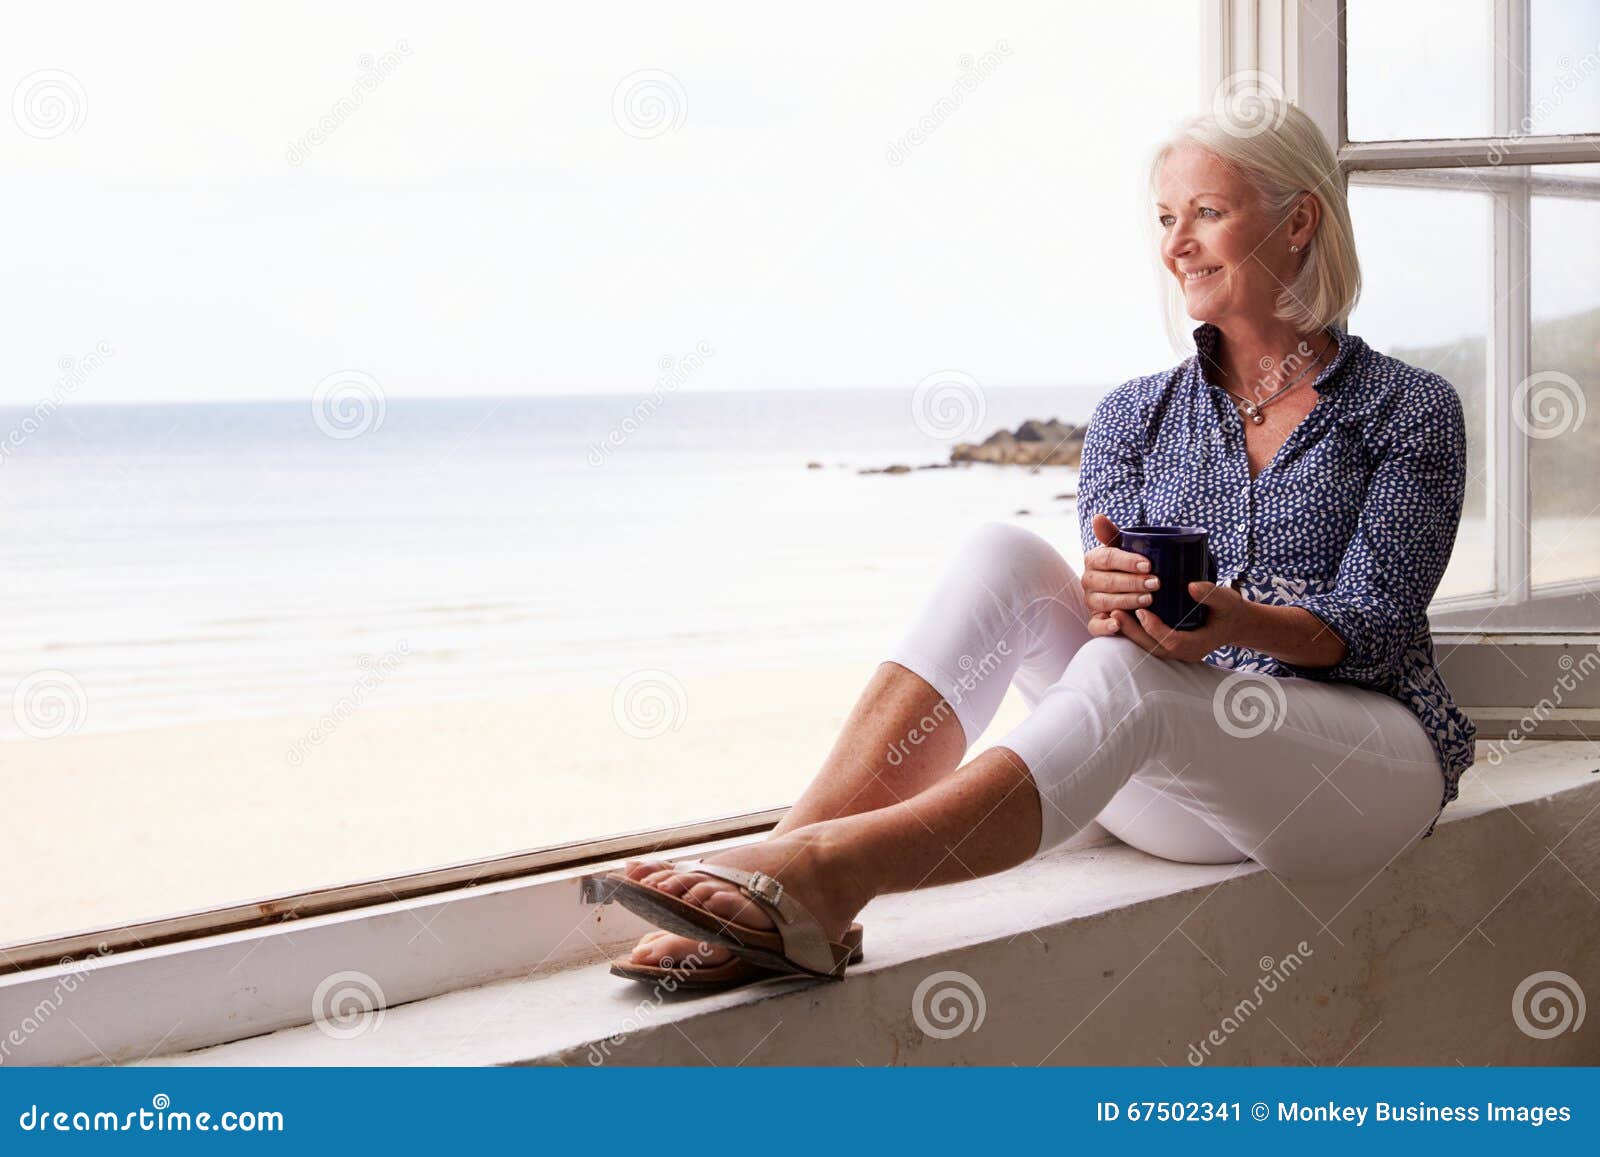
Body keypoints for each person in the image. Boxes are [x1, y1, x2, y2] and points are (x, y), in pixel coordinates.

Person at [591, 97, 1477, 986]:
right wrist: (1114, 602)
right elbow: (1112, 627)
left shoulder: (1407, 408)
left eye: (1206, 213)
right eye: (1166, 219)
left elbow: (1376, 624)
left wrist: (1239, 622)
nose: (1176, 244)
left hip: (1358, 774)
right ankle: (781, 869)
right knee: (1003, 554)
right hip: (1185, 781)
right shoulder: (1135, 414)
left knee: (1134, 681)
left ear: (1298, 220)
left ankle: (827, 871)